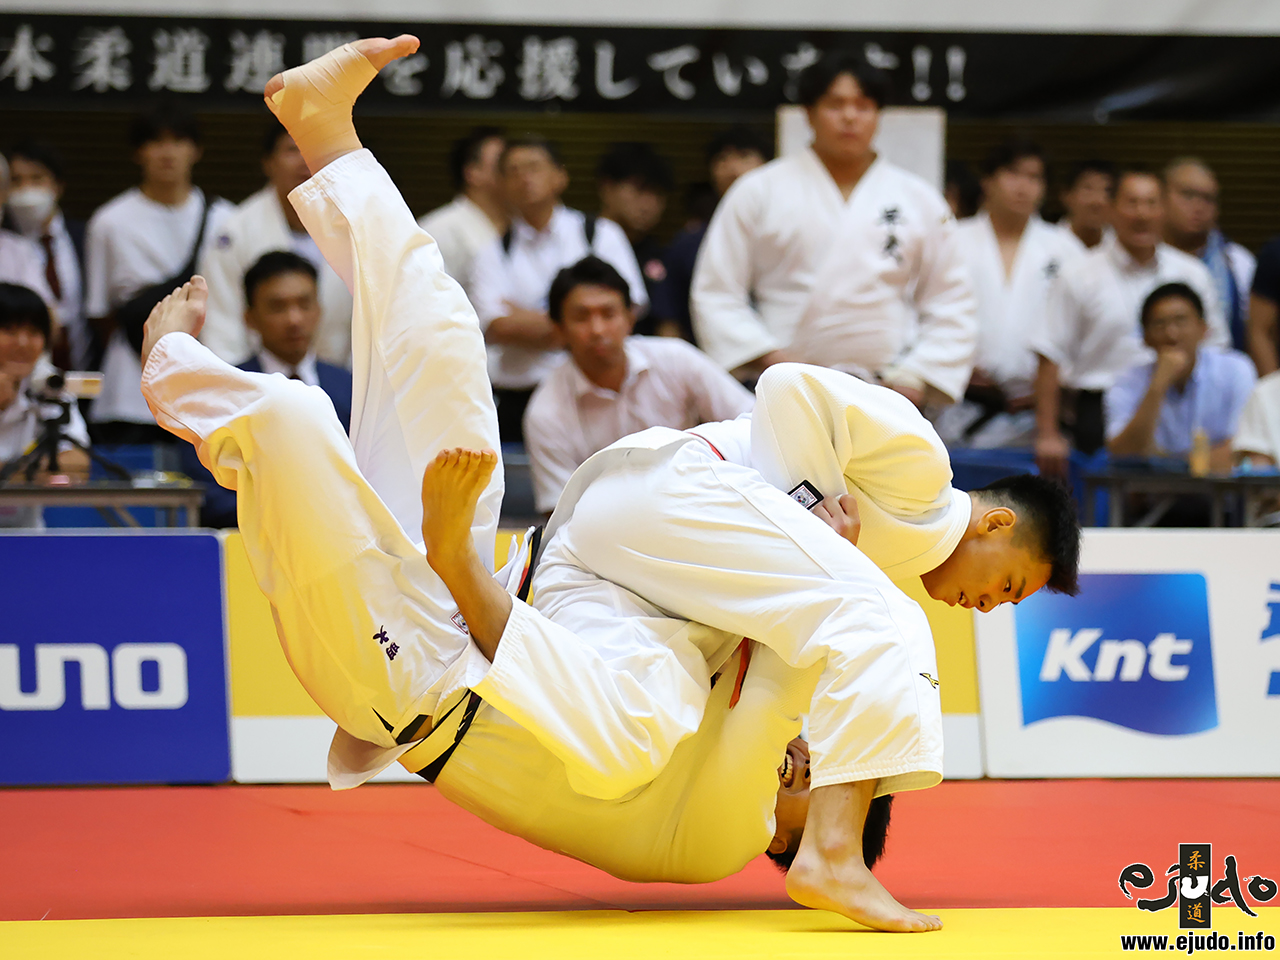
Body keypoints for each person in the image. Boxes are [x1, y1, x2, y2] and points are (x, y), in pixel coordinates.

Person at [143, 36, 1077, 931]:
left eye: (809, 786)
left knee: (355, 386)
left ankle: (289, 188)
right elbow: (790, 391)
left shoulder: (719, 824)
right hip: (587, 554)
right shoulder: (918, 481)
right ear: (996, 521)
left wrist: (809, 551)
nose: (992, 607)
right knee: (862, 625)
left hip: (443, 652)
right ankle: (324, 135)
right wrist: (801, 512)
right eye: (1010, 584)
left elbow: (773, 679)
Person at [692, 50, 977, 408]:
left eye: (863, 105)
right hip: (785, 387)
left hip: (888, 389)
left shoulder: (918, 198)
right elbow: (716, 292)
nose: (849, 117)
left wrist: (915, 375)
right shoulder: (758, 191)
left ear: (878, 115)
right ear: (808, 112)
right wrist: (770, 359)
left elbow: (951, 299)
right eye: (835, 104)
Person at [1031, 168, 1228, 477]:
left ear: (1164, 210)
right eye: (1132, 203)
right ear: (1111, 210)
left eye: (1151, 203)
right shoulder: (1078, 274)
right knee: (1104, 513)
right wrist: (1047, 433)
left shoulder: (1192, 273)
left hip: (1181, 408)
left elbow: (1216, 348)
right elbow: (1049, 355)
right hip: (1098, 409)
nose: (1142, 214)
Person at [523, 255, 753, 513]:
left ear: (630, 318)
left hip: (702, 505)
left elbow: (751, 422)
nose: (597, 329)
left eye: (608, 314)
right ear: (558, 329)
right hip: (604, 531)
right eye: (582, 317)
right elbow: (559, 513)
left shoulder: (677, 359)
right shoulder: (545, 412)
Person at [468, 134, 648, 441]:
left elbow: (630, 307)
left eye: (534, 167)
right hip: (518, 397)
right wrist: (575, 325)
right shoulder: (492, 252)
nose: (525, 178)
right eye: (513, 171)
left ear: (559, 176)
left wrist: (525, 317)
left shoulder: (600, 234)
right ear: (501, 184)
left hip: (598, 390)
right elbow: (495, 327)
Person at [84, 103, 232, 444]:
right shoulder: (109, 221)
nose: (168, 153)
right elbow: (100, 315)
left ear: (196, 150)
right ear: (139, 152)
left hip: (206, 380)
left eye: (179, 141)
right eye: (156, 142)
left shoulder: (226, 219)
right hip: (128, 390)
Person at [179, 250, 352, 527]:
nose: (294, 319)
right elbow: (206, 492)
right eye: (278, 307)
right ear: (249, 318)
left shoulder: (350, 388)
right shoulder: (223, 390)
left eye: (304, 304)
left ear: (319, 310)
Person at [940, 139, 1081, 449]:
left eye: (1034, 178)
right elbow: (927, 314)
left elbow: (1078, 329)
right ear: (987, 181)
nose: (1024, 187)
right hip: (960, 405)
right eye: (1013, 174)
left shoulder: (1065, 249)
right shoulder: (953, 241)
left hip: (1036, 414)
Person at [199, 121, 354, 370]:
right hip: (257, 379)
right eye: (293, 150)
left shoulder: (353, 227)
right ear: (268, 163)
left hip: (339, 381)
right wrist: (235, 387)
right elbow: (222, 325)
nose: (305, 161)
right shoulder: (236, 231)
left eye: (315, 151)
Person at [1105, 283, 1255, 524]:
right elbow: (1123, 455)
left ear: (1204, 328)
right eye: (1159, 324)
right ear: (1144, 336)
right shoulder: (1127, 380)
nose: (1172, 334)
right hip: (1150, 511)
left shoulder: (1236, 370)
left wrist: (1166, 468)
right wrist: (1157, 386)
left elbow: (1240, 450)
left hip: (1224, 503)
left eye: (1181, 321)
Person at [652, 126, 771, 343]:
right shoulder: (689, 242)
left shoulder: (788, 231)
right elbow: (669, 321)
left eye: (744, 156)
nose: (733, 168)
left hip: (786, 363)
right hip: (710, 365)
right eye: (723, 159)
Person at [0, 283, 89, 527]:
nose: (23, 342)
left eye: (33, 332)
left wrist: (9, 471)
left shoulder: (49, 385)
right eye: (8, 330)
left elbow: (78, 462)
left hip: (26, 537)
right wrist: (36, 471)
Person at [4, 141, 86, 370]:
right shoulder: (6, 246)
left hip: (86, 373)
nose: (26, 188)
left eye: (37, 179)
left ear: (58, 186)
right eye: (16, 180)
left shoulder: (85, 237)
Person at [1162, 157, 1255, 354]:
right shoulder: (1139, 257)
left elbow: (1255, 335)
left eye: (1208, 199)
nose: (1198, 207)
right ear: (1162, 197)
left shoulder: (1237, 262)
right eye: (1188, 195)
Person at [594, 142, 674, 331]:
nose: (649, 204)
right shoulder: (580, 241)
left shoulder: (661, 256)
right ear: (607, 188)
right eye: (639, 190)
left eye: (657, 194)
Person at [417, 126, 508, 287]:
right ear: (473, 172)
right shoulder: (436, 230)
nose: (511, 168)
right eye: (502, 160)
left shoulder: (520, 225)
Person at [1055, 159, 1116, 252]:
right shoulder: (1046, 245)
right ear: (1066, 196)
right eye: (1088, 189)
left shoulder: (1121, 247)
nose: (1097, 201)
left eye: (1106, 191)